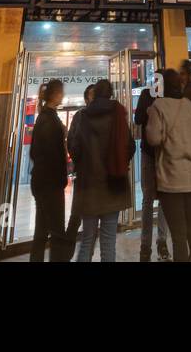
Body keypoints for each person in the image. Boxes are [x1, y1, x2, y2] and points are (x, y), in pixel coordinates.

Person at [67, 79, 133, 261]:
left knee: (87, 240)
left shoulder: (82, 116)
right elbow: (130, 146)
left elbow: (74, 147)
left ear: (94, 95)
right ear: (111, 93)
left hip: (89, 186)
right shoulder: (118, 115)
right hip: (113, 185)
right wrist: (120, 162)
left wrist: (82, 164)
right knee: (108, 241)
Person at [144, 69, 191, 261]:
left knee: (178, 236)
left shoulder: (158, 105)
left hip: (172, 179)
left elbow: (153, 139)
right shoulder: (189, 105)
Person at [133, 70, 172, 261]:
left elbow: (139, 119)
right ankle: (151, 244)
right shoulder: (149, 95)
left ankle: (155, 244)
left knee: (157, 199)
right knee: (153, 200)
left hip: (158, 153)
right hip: (155, 154)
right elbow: (138, 119)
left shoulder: (159, 96)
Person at [28, 79, 67, 262]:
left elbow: (35, 152)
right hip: (50, 183)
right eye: (62, 92)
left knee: (42, 230)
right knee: (57, 231)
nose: (63, 95)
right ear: (57, 94)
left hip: (41, 181)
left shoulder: (44, 117)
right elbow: (50, 155)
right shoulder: (49, 120)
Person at [62, 82, 95, 260]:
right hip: (84, 176)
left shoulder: (100, 116)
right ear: (86, 98)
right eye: (91, 94)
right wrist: (80, 161)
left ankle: (84, 256)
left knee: (91, 223)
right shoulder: (80, 116)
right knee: (76, 218)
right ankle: (65, 255)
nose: (94, 97)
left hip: (95, 178)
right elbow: (71, 142)